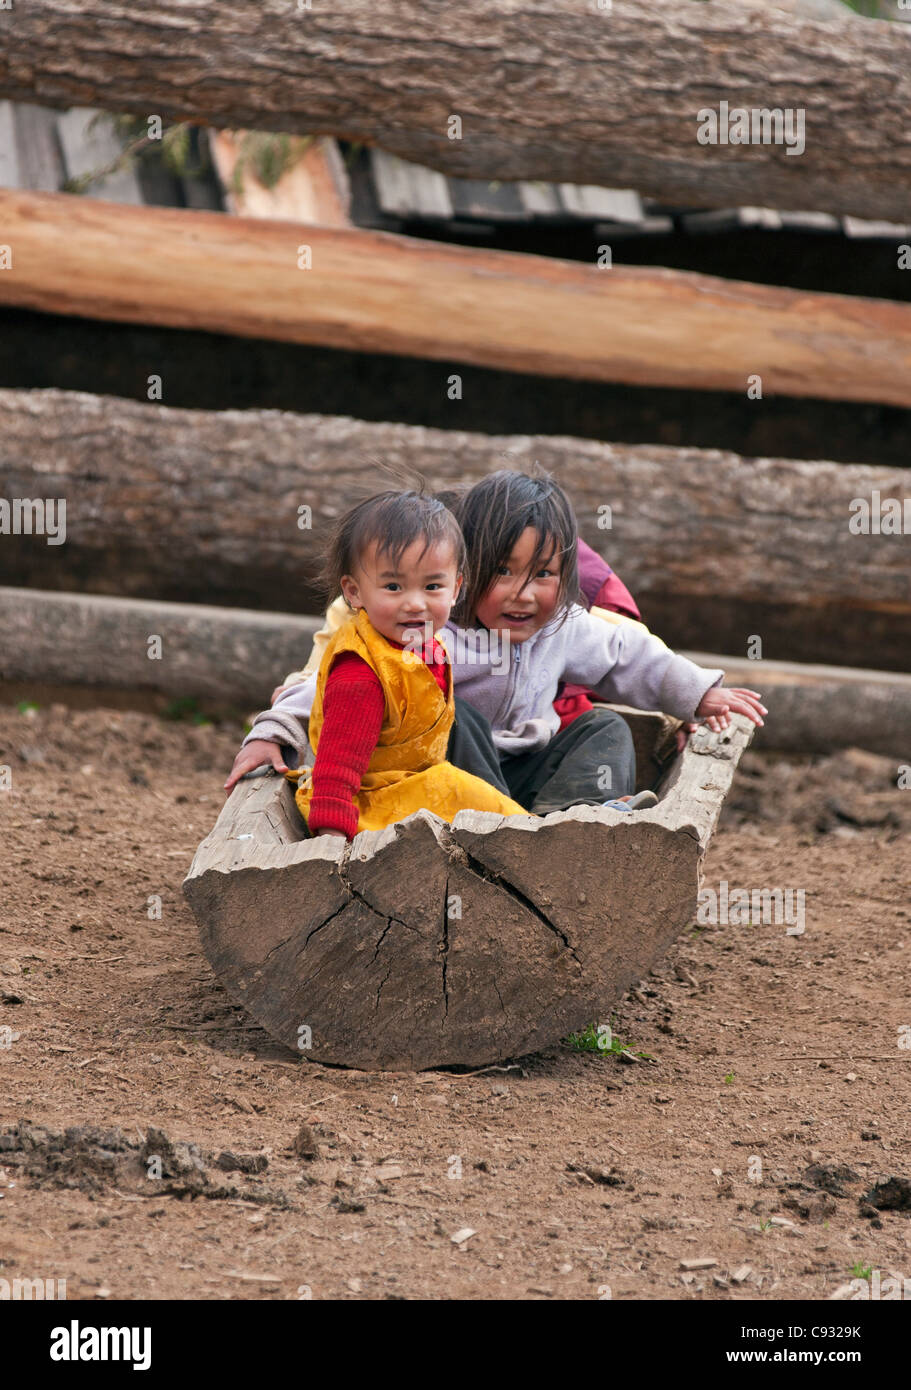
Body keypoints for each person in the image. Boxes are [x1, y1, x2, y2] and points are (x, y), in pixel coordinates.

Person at [226, 472, 766, 817]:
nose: (523, 595)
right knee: (461, 718)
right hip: (455, 782)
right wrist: (271, 733)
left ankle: (574, 821)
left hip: (530, 771)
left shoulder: (564, 628)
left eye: (543, 575)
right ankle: (505, 831)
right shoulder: (426, 633)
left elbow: (631, 654)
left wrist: (699, 694)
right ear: (464, 575)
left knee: (605, 727)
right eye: (502, 572)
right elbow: (336, 684)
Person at [231, 489, 528, 839]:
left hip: (413, 783)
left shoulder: (422, 644)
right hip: (371, 803)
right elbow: (337, 768)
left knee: (491, 804)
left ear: (456, 588)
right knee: (489, 809)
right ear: (354, 593)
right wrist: (331, 841)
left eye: (432, 586)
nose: (415, 603)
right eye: (393, 586)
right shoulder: (362, 672)